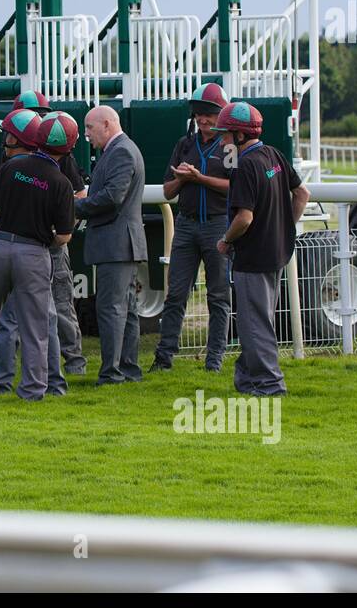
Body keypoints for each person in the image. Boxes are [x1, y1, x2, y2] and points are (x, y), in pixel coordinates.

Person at [0, 109, 75, 402]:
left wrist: (4, 220)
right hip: (34, 253)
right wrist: (42, 235)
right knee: (35, 327)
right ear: (69, 149)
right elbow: (64, 236)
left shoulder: (9, 168)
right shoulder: (61, 184)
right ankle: (32, 391)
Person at [0, 93, 88, 390]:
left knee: (45, 310)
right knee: (43, 312)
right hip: (40, 244)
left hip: (38, 244)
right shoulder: (32, 154)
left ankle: (65, 366)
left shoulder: (56, 156)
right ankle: (51, 379)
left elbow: (78, 197)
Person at [213, 101, 309, 396]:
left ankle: (269, 385)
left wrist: (226, 240)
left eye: (226, 135)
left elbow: (244, 218)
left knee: (255, 323)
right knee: (258, 319)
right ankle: (247, 380)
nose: (222, 140)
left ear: (240, 136)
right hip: (277, 250)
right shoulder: (274, 155)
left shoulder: (245, 166)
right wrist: (284, 225)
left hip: (253, 256)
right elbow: (302, 194)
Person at [153, 82, 234, 373]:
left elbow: (233, 187)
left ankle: (215, 359)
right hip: (186, 226)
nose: (202, 119)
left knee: (218, 295)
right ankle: (164, 358)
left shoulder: (229, 147)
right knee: (175, 293)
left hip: (217, 226)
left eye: (208, 115)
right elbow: (167, 191)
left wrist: (199, 179)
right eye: (199, 114)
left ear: (220, 115)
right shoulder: (183, 145)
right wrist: (183, 180)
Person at [75, 105, 148, 385]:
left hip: (116, 243)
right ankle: (127, 369)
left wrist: (75, 207)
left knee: (111, 308)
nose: (86, 135)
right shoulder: (120, 150)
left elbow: (112, 196)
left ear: (107, 125)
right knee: (126, 309)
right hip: (120, 243)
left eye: (89, 129)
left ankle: (112, 373)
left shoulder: (120, 151)